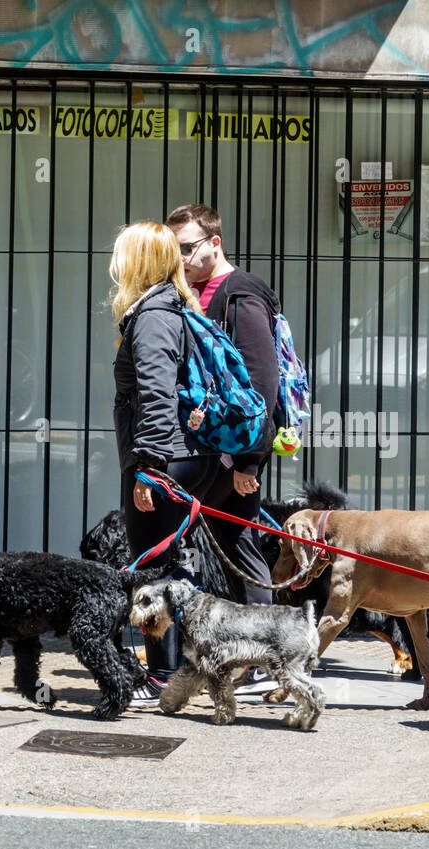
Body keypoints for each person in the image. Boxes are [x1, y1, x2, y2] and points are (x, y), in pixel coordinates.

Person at [110, 221, 224, 704]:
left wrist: (148, 467)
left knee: (155, 575)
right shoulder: (172, 306)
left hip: (164, 459)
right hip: (182, 455)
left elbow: (156, 395)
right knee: (172, 570)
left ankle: (164, 676)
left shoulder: (154, 315)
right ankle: (179, 671)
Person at [165, 203, 279, 610]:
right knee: (230, 551)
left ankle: (264, 653)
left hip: (232, 452)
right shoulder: (192, 292)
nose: (179, 259)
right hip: (210, 446)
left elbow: (263, 382)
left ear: (215, 242)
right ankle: (249, 652)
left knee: (239, 551)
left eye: (186, 248)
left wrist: (250, 460)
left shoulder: (240, 295)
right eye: (171, 249)